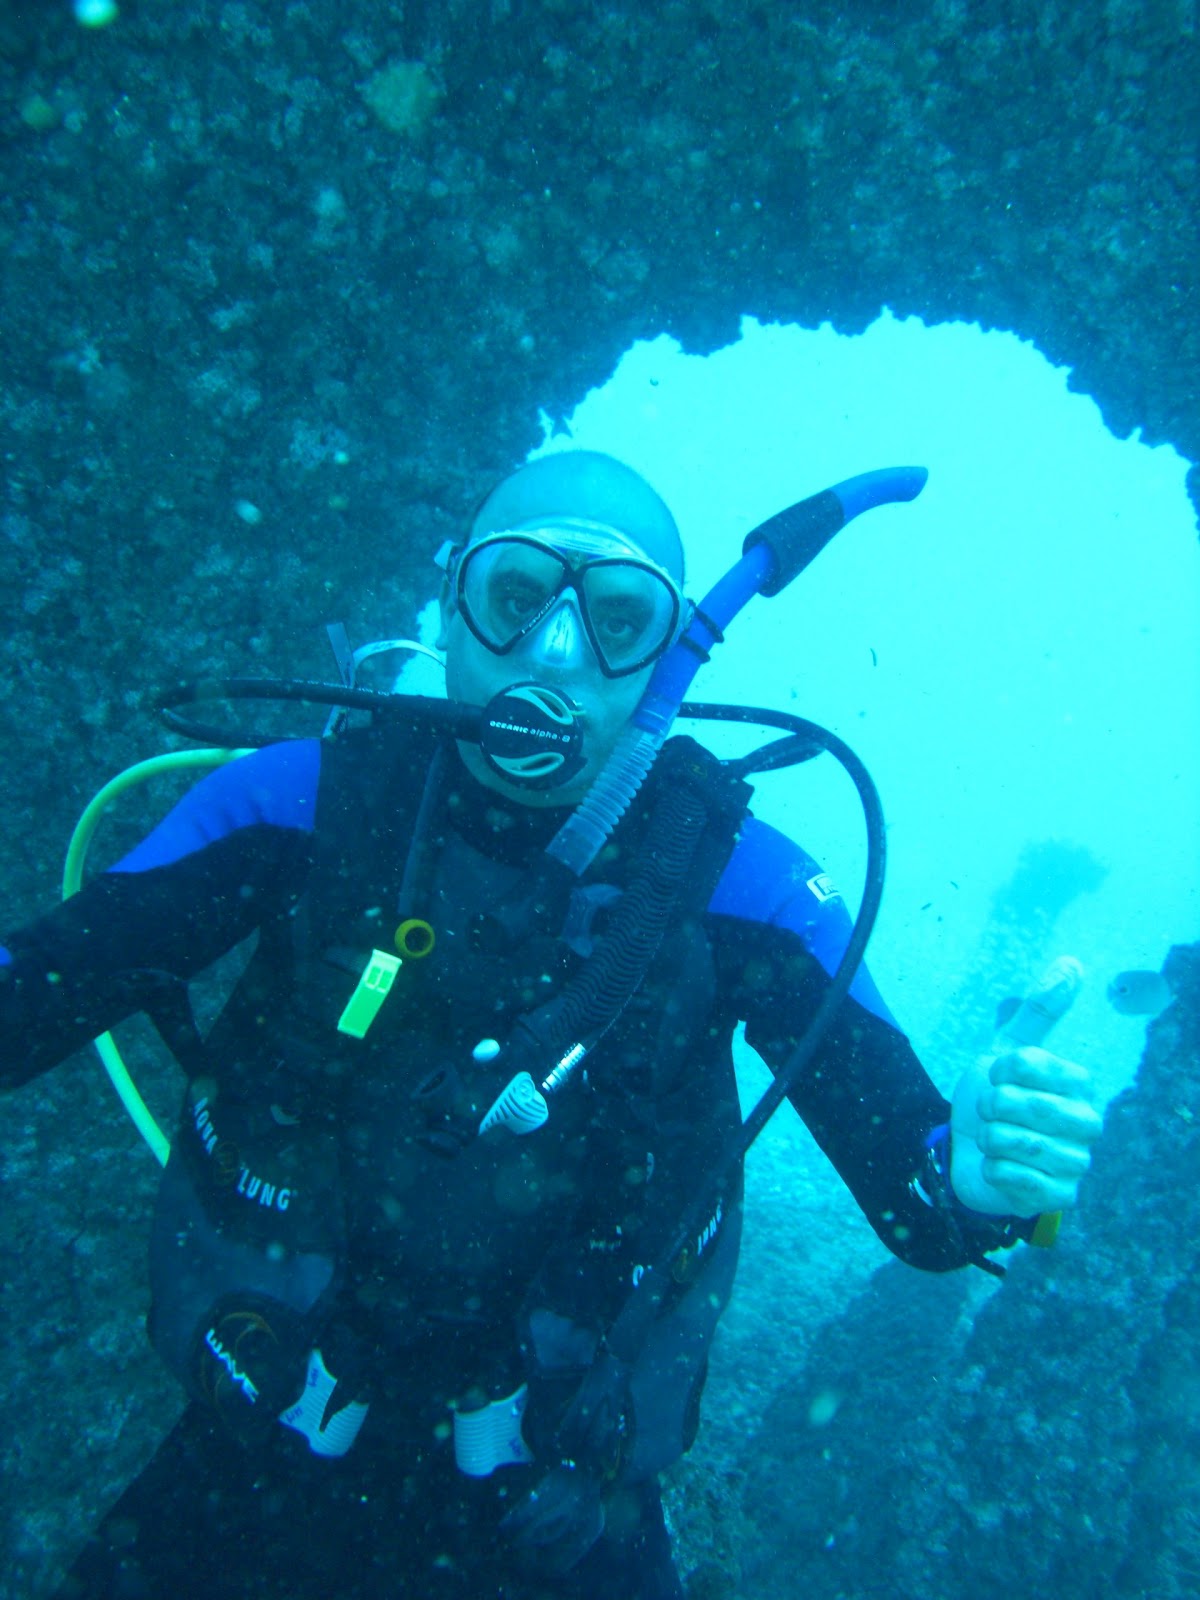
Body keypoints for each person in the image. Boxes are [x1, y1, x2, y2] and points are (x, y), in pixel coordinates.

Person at [0, 451, 1102, 1600]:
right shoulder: (298, 799)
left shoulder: (747, 888)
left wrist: (972, 1176)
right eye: (517, 595)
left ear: (672, 656)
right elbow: (32, 999)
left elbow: (921, 1206)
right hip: (265, 1438)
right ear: (452, 608)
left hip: (561, 1504)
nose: (556, 652)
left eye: (618, 617)